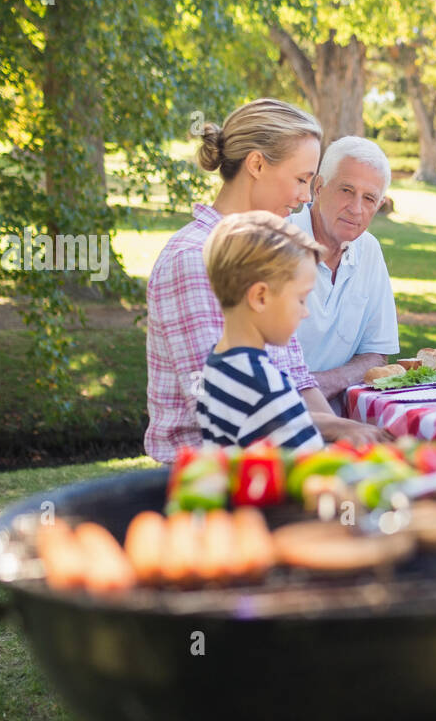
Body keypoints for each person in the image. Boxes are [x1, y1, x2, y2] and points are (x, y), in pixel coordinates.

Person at [145, 98, 390, 463]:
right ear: (257, 164)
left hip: (272, 460)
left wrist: (342, 441)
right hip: (210, 478)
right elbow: (225, 404)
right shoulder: (196, 257)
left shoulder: (262, 250)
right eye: (302, 179)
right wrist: (335, 431)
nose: (306, 197)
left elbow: (298, 380)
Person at [196, 211, 323, 453]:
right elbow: (313, 471)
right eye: (301, 299)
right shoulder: (267, 388)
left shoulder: (217, 365)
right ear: (260, 297)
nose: (305, 312)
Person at [289, 136, 400, 412]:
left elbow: (376, 354)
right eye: (346, 190)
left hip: (336, 425)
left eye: (369, 198)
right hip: (274, 423)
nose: (356, 208)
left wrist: (324, 383)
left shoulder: (369, 250)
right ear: (318, 187)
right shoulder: (278, 241)